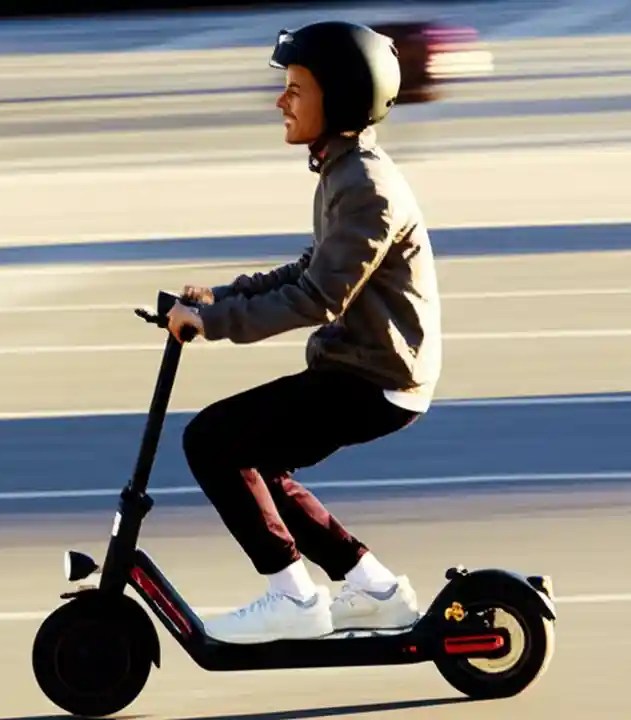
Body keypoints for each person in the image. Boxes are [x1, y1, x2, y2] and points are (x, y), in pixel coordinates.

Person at [165, 21, 442, 645]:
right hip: (363, 369)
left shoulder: (366, 186)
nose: (280, 101)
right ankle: (374, 589)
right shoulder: (344, 173)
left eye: (295, 87)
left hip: (375, 379)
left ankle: (292, 597)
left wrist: (213, 325)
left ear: (338, 98)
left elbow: (319, 296)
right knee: (254, 457)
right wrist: (224, 296)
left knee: (212, 440)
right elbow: (309, 266)